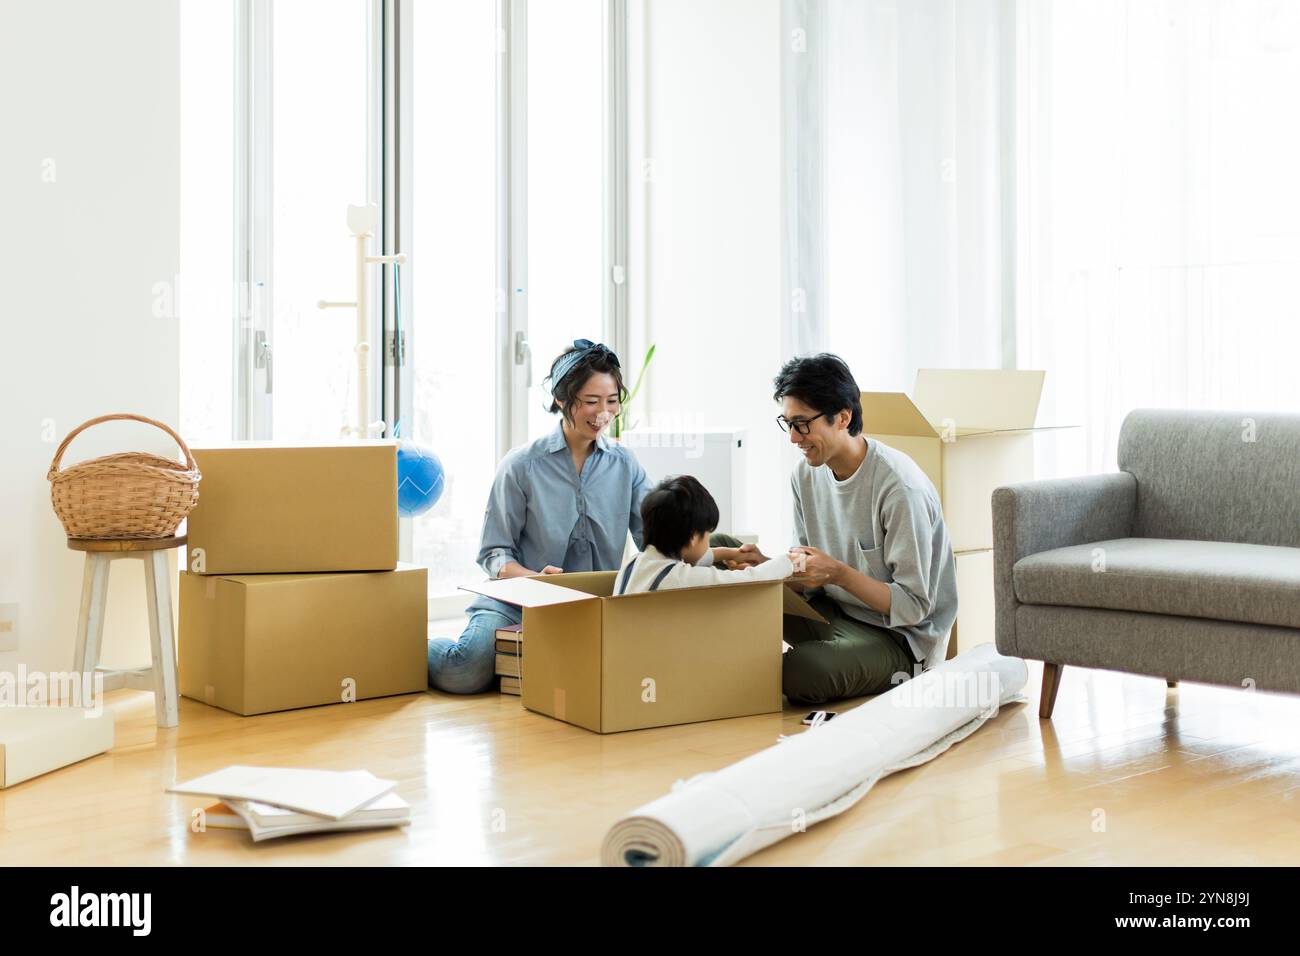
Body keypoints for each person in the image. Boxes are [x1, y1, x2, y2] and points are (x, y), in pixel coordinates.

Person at [427, 339, 757, 694]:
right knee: (464, 671)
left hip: (594, 606)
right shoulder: (521, 465)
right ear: (561, 399)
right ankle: (415, 648)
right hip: (516, 603)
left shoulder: (625, 464)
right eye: (590, 402)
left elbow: (659, 541)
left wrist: (719, 555)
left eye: (612, 401)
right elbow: (494, 554)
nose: (603, 413)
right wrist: (537, 579)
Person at [734, 353, 958, 704]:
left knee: (804, 672)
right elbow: (808, 576)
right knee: (720, 552)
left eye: (802, 423)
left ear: (843, 417)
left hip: (896, 639)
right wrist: (768, 567)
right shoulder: (805, 474)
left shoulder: (899, 487)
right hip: (830, 611)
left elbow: (915, 606)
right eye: (787, 422)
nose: (794, 437)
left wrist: (838, 573)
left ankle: (829, 659)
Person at [614, 475, 804, 594]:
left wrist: (730, 553)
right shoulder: (678, 579)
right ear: (693, 538)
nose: (708, 539)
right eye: (706, 534)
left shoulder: (634, 562)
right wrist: (790, 561)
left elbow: (693, 557)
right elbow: (750, 579)